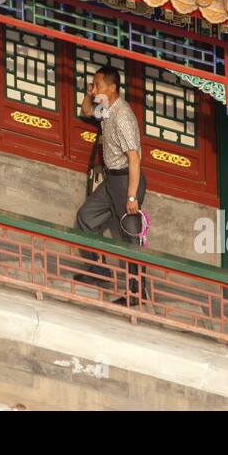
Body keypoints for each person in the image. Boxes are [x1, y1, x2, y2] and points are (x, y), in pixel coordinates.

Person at [74, 65, 148, 303]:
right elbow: (86, 111)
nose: (94, 89)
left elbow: (134, 158)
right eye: (93, 85)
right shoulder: (108, 109)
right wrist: (89, 94)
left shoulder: (123, 117)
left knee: (131, 238)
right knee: (86, 217)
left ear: (112, 88)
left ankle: (136, 293)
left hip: (126, 180)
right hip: (111, 180)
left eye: (98, 85)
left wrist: (131, 197)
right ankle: (99, 271)